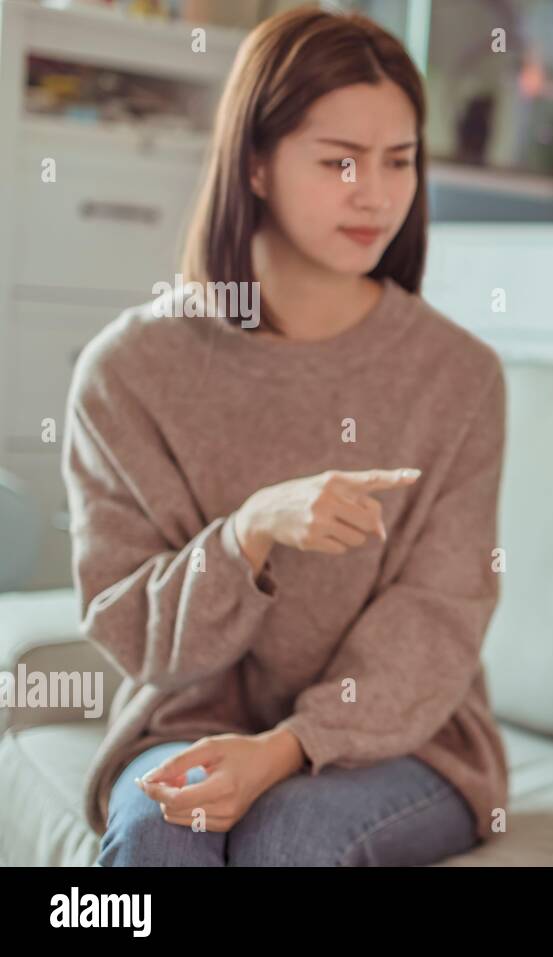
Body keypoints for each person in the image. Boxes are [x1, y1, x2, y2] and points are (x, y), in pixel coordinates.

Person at [66, 7, 507, 866]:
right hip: (186, 718)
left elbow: (440, 616)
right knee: (163, 830)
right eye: (339, 160)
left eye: (400, 160)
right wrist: (246, 533)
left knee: (290, 835)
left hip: (403, 740)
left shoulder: (459, 376)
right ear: (257, 163)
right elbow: (132, 631)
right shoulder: (128, 371)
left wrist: (286, 747)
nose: (376, 193)